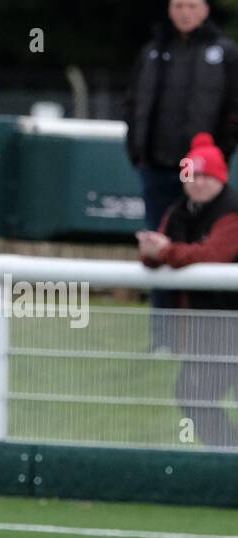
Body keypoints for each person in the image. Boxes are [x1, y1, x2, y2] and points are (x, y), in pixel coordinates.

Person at [126, 0, 238, 350]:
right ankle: (164, 338)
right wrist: (137, 150)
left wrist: (215, 160)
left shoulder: (224, 53)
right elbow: (134, 104)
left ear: (205, 10)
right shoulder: (154, 51)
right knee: (159, 248)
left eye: (191, 5)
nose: (184, 12)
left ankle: (215, 338)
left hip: (202, 172)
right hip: (159, 165)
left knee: (208, 250)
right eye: (178, 5)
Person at [137, 133, 238, 448]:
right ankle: (228, 454)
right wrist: (151, 252)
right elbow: (159, 253)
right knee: (192, 394)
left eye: (207, 176)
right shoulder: (179, 211)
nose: (199, 183)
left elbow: (212, 257)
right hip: (209, 328)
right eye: (193, 175)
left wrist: (164, 251)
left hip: (229, 324)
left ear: (221, 178)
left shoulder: (232, 211)